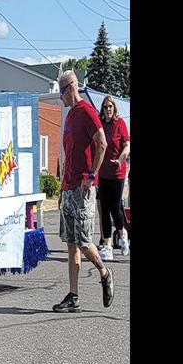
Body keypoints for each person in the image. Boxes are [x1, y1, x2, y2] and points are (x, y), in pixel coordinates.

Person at [53, 70, 114, 312]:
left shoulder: (87, 112)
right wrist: (60, 189)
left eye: (61, 92)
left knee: (84, 241)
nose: (60, 98)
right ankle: (73, 296)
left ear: (70, 88)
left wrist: (91, 175)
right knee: (71, 244)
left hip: (82, 189)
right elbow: (68, 155)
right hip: (68, 188)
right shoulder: (69, 117)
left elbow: (102, 143)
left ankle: (104, 271)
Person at [97, 96, 131, 257]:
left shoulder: (120, 124)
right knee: (104, 208)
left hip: (118, 172)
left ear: (114, 108)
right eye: (105, 107)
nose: (108, 109)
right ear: (102, 109)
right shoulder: (100, 125)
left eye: (110, 106)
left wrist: (120, 159)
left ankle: (123, 234)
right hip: (103, 172)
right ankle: (108, 246)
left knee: (115, 207)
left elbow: (127, 146)